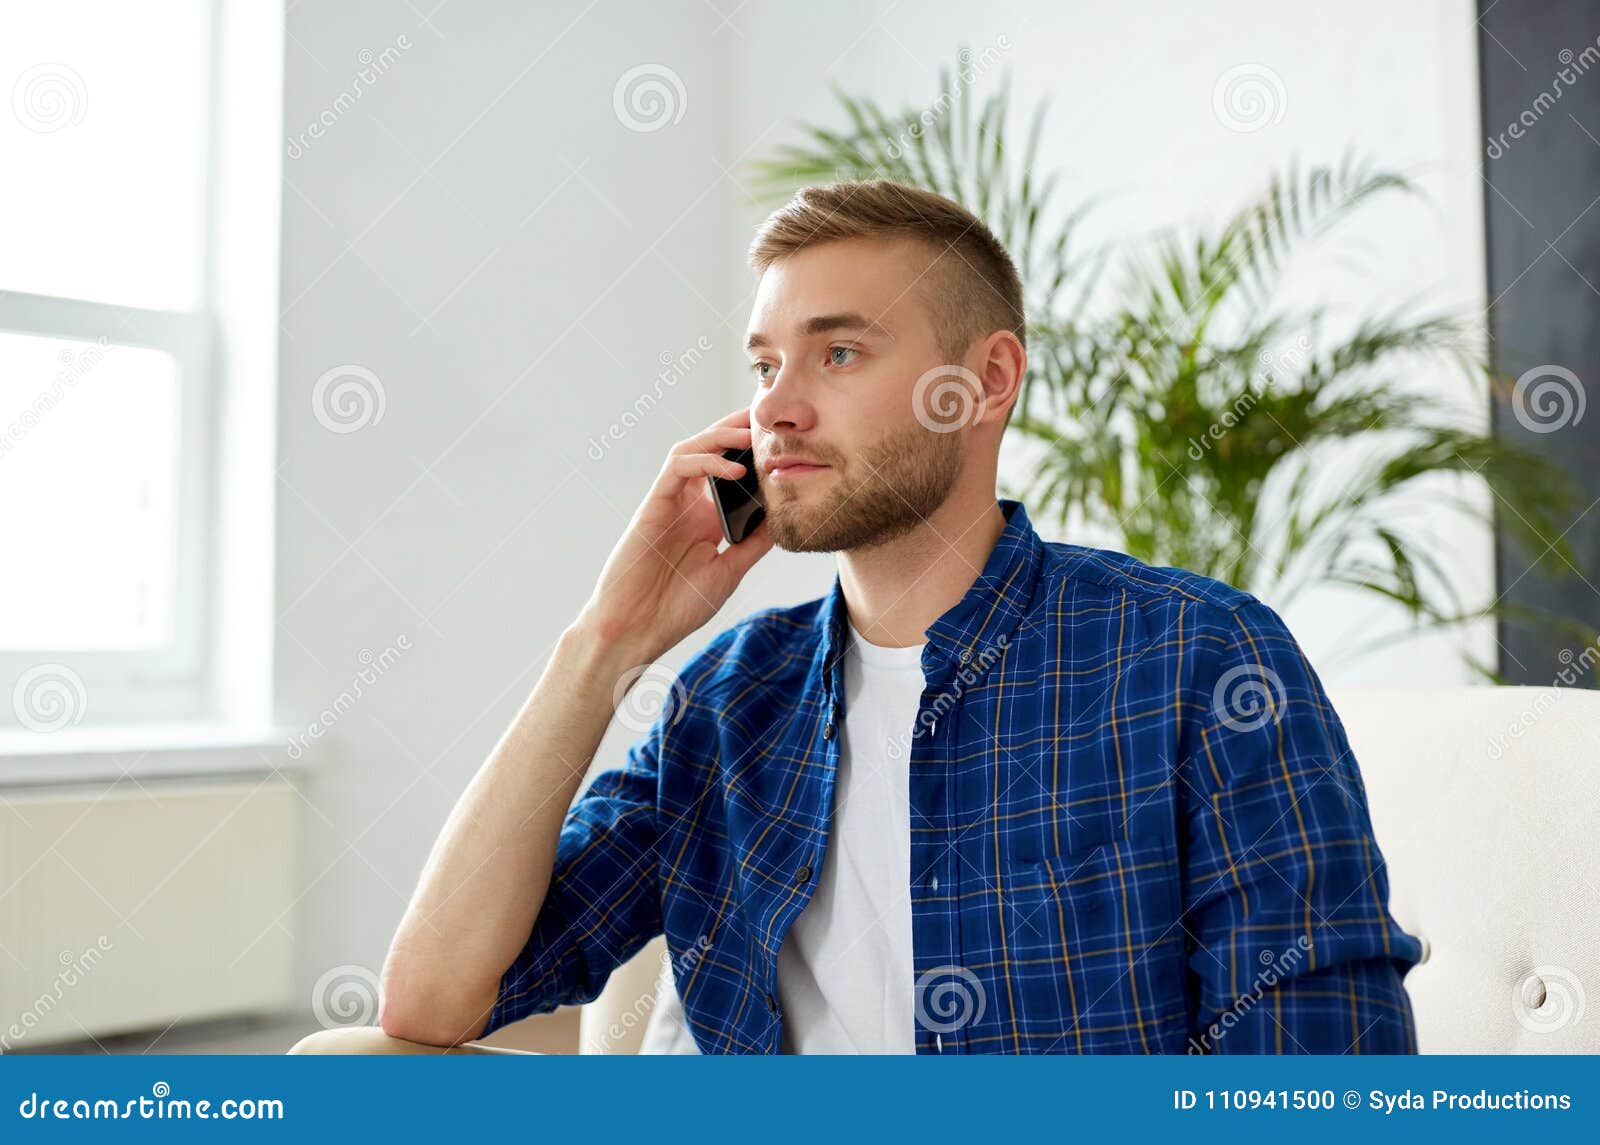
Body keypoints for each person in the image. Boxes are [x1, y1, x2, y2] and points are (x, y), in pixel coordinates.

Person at [292, 179, 1420, 1056]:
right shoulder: (729, 700)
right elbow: (436, 996)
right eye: (764, 363)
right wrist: (606, 641)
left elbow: (1327, 1071)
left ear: (982, 383)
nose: (774, 406)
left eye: (837, 352)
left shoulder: (1193, 655)